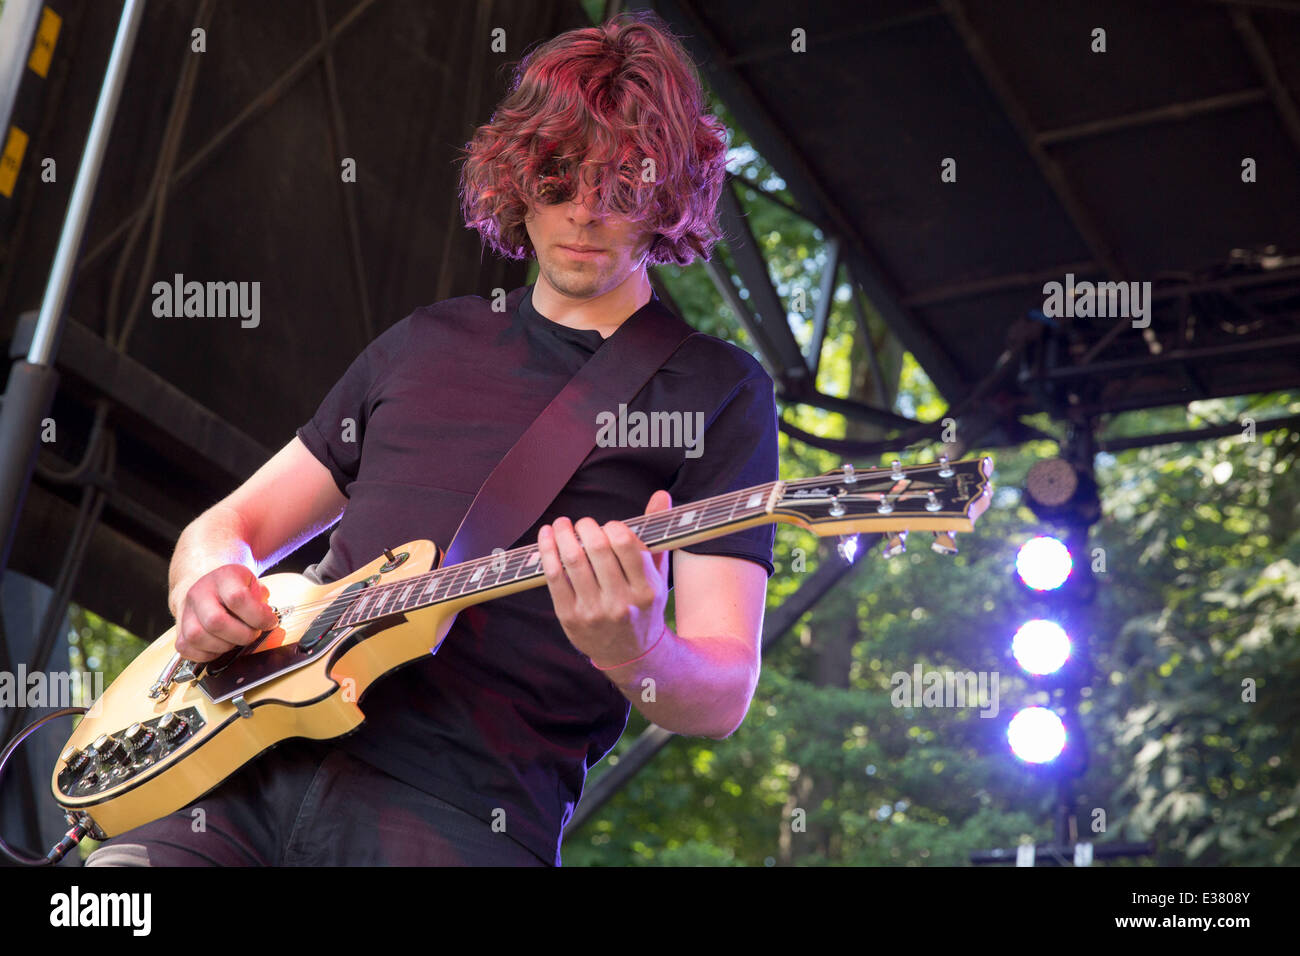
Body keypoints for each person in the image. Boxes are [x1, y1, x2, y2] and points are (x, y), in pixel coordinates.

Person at [85, 11, 777, 867]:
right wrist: (206, 584)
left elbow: (721, 693)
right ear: (517, 172)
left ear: (668, 195)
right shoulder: (424, 341)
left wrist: (638, 649)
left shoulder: (718, 390)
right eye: (560, 177)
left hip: (459, 812)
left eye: (623, 188)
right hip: (237, 769)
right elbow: (224, 531)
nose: (587, 213)